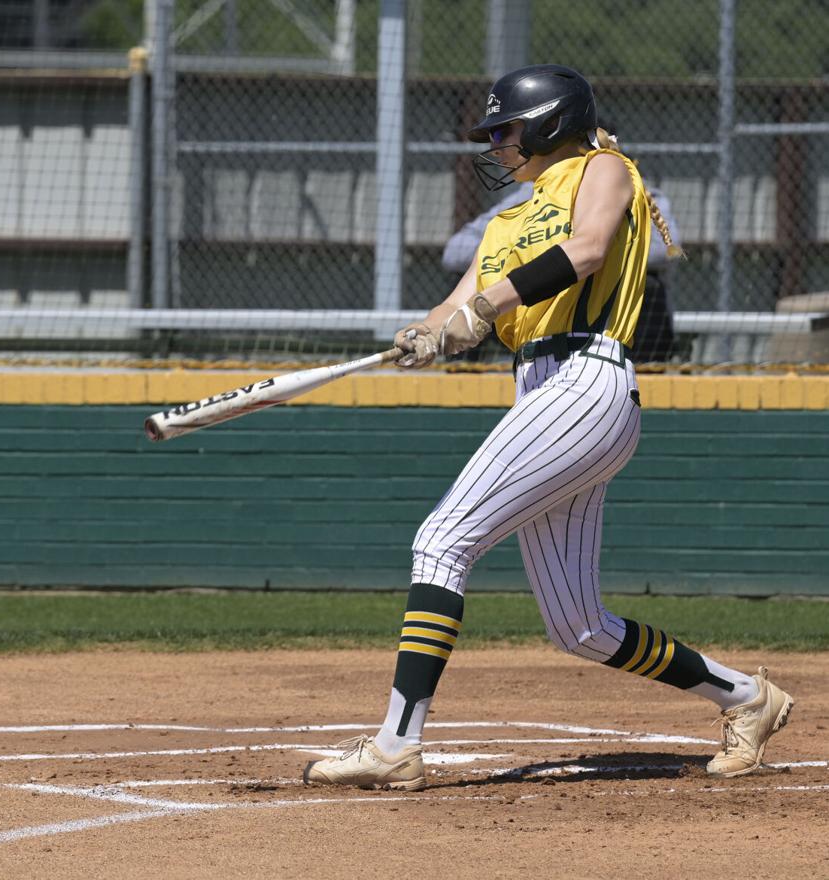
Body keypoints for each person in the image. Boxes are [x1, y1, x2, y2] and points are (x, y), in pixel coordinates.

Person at [302, 64, 793, 791]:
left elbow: (587, 249)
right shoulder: (505, 222)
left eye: (505, 130)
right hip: (540, 390)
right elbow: (459, 302)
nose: (496, 145)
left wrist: (486, 306)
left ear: (550, 123)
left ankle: (395, 745)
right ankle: (748, 698)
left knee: (441, 542)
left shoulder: (603, 168)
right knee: (578, 626)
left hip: (586, 378)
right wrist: (429, 331)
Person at [442, 133, 681, 362]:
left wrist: (590, 243)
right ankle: (460, 372)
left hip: (609, 330)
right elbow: (455, 251)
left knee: (649, 286)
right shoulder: (529, 194)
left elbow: (664, 251)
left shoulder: (629, 183)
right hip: (539, 318)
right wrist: (530, 254)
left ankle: (651, 367)